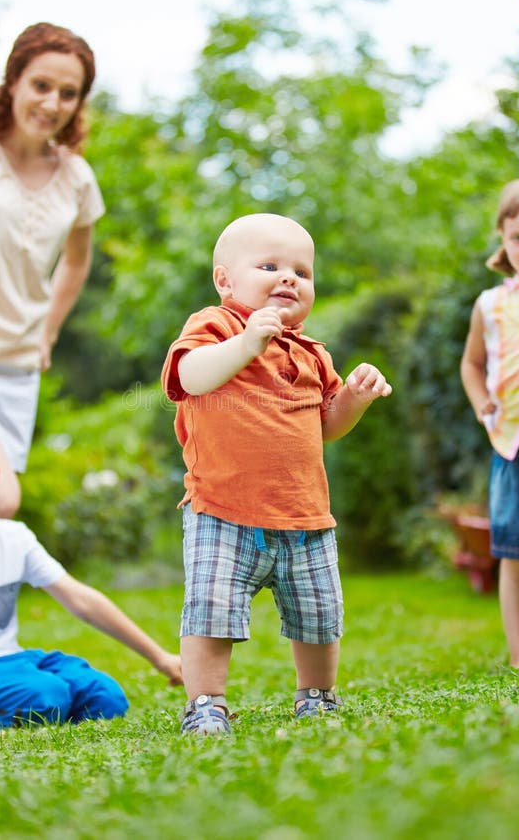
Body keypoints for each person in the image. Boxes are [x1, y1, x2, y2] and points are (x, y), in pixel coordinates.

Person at [161, 212, 392, 734]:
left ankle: (317, 695)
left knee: (318, 615)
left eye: (302, 272)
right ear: (225, 280)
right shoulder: (215, 325)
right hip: (221, 508)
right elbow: (189, 378)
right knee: (210, 611)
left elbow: (327, 425)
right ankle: (206, 704)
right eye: (269, 266)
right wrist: (246, 343)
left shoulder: (312, 352)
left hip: (304, 513)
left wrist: (354, 399)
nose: (289, 278)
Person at [0, 22, 105, 519]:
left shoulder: (76, 177)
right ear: (13, 81)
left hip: (17, 364)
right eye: (41, 85)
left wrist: (48, 331)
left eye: (68, 93)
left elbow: (77, 259)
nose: (52, 103)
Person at [0, 406, 182, 732]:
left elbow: (81, 600)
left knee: (106, 698)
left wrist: (160, 658)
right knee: (45, 699)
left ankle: (32, 704)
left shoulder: (13, 538)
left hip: (11, 659)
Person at [461, 176, 519, 671]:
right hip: (512, 445)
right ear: (503, 240)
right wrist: (481, 400)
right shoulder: (490, 304)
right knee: (515, 550)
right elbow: (471, 363)